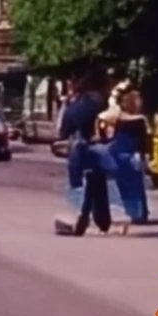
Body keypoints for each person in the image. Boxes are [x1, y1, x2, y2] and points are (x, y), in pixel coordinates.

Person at [55, 72, 114, 236]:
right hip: (98, 146)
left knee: (80, 184)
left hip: (78, 145)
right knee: (97, 182)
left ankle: (83, 216)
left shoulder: (76, 102)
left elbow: (63, 129)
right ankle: (102, 220)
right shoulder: (104, 102)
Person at [108, 88, 151, 224]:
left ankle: (133, 211)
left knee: (125, 185)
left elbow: (113, 137)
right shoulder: (140, 120)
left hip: (119, 153)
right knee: (137, 185)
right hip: (133, 153)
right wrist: (145, 155)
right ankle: (140, 213)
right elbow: (143, 140)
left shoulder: (118, 118)